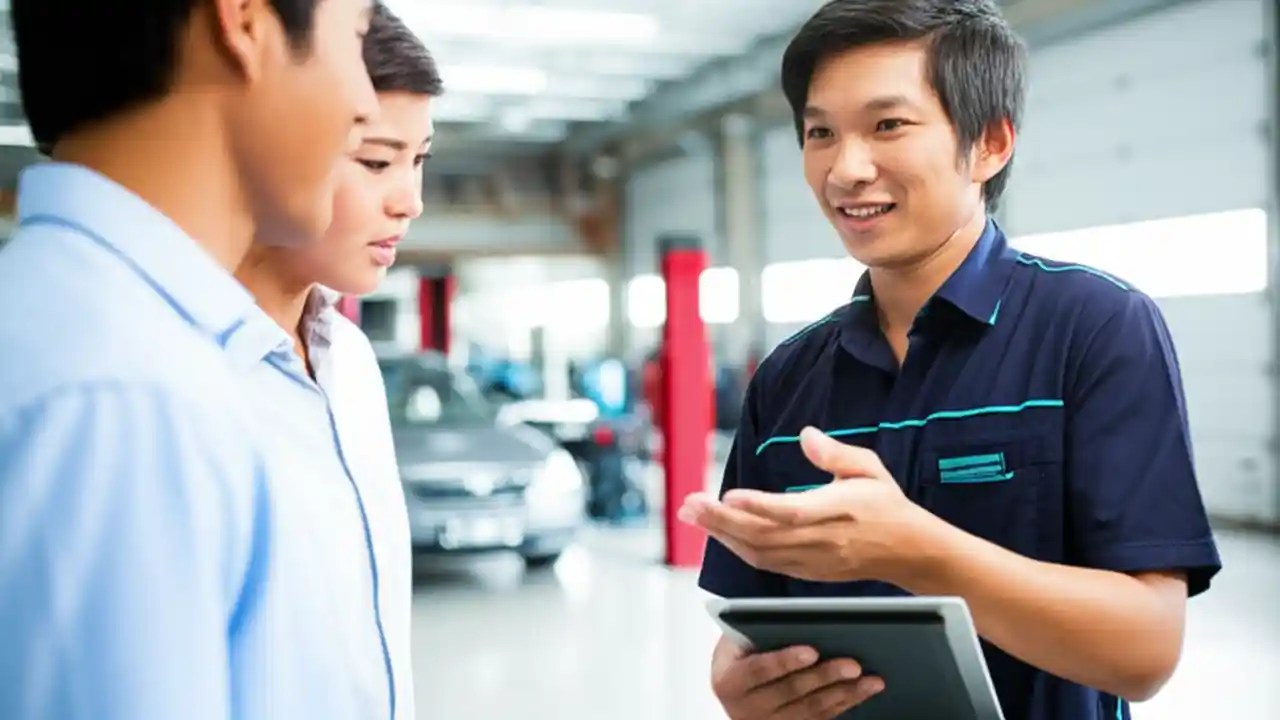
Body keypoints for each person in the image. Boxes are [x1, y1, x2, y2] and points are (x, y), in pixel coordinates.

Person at [679, 1, 1222, 719]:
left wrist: (916, 552)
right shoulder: (787, 379)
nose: (846, 169)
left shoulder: (1093, 328)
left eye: (888, 125)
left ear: (990, 143)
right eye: (820, 133)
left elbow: (1144, 652)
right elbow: (749, 619)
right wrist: (743, 685)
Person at [0, 1, 377, 719]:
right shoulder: (123, 392)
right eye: (355, 35)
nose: (364, 103)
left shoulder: (101, 330)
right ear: (243, 21)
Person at [233, 6, 441, 719]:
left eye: (419, 161)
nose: (408, 201)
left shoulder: (349, 360)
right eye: (377, 162)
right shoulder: (181, 375)